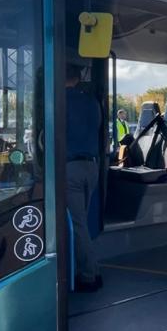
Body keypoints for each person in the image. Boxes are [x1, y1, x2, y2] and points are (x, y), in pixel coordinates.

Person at [65, 63, 103, 292]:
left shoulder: (59, 101)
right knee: (82, 224)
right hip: (91, 168)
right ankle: (84, 268)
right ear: (78, 78)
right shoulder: (91, 102)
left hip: (70, 170)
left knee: (76, 225)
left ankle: (90, 275)